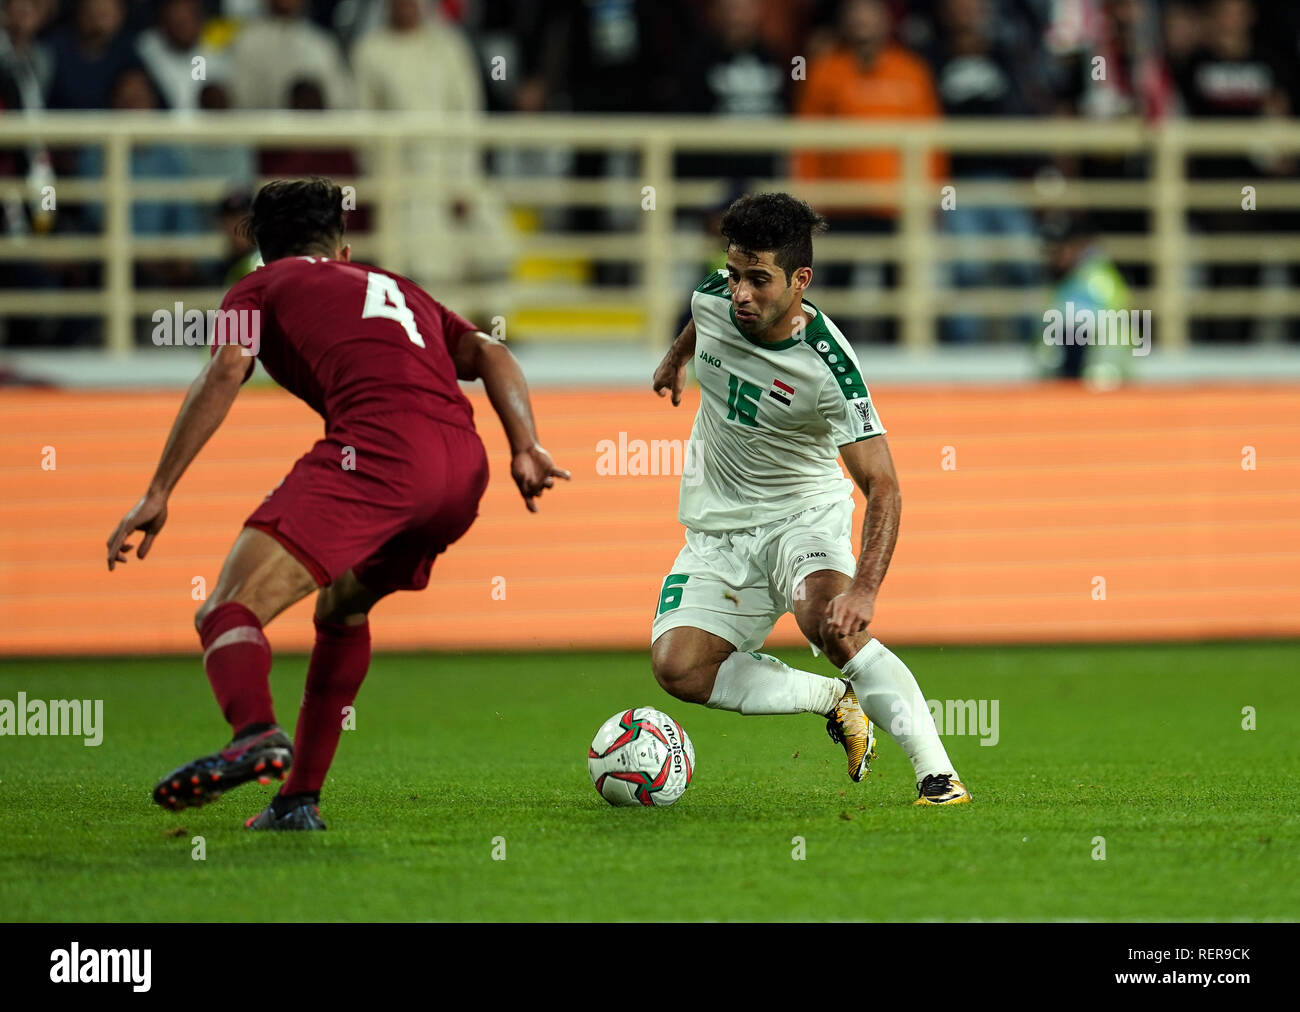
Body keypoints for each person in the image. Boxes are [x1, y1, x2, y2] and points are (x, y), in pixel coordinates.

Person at [105, 177, 569, 830]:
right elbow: (490, 351)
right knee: (343, 607)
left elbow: (223, 370)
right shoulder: (401, 289)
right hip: (465, 469)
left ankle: (255, 732)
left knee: (226, 609)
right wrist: (527, 446)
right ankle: (297, 802)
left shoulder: (256, 287)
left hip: (378, 455)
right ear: (343, 248)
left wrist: (158, 491)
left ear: (264, 252)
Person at [649, 192, 970, 806]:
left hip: (802, 518)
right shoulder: (712, 298)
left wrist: (865, 590)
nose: (740, 292)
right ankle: (833, 700)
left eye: (758, 279)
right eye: (734, 273)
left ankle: (938, 776)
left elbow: (884, 486)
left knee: (830, 625)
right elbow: (702, 318)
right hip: (717, 530)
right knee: (678, 668)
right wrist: (675, 359)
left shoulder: (828, 368)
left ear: (801, 281)